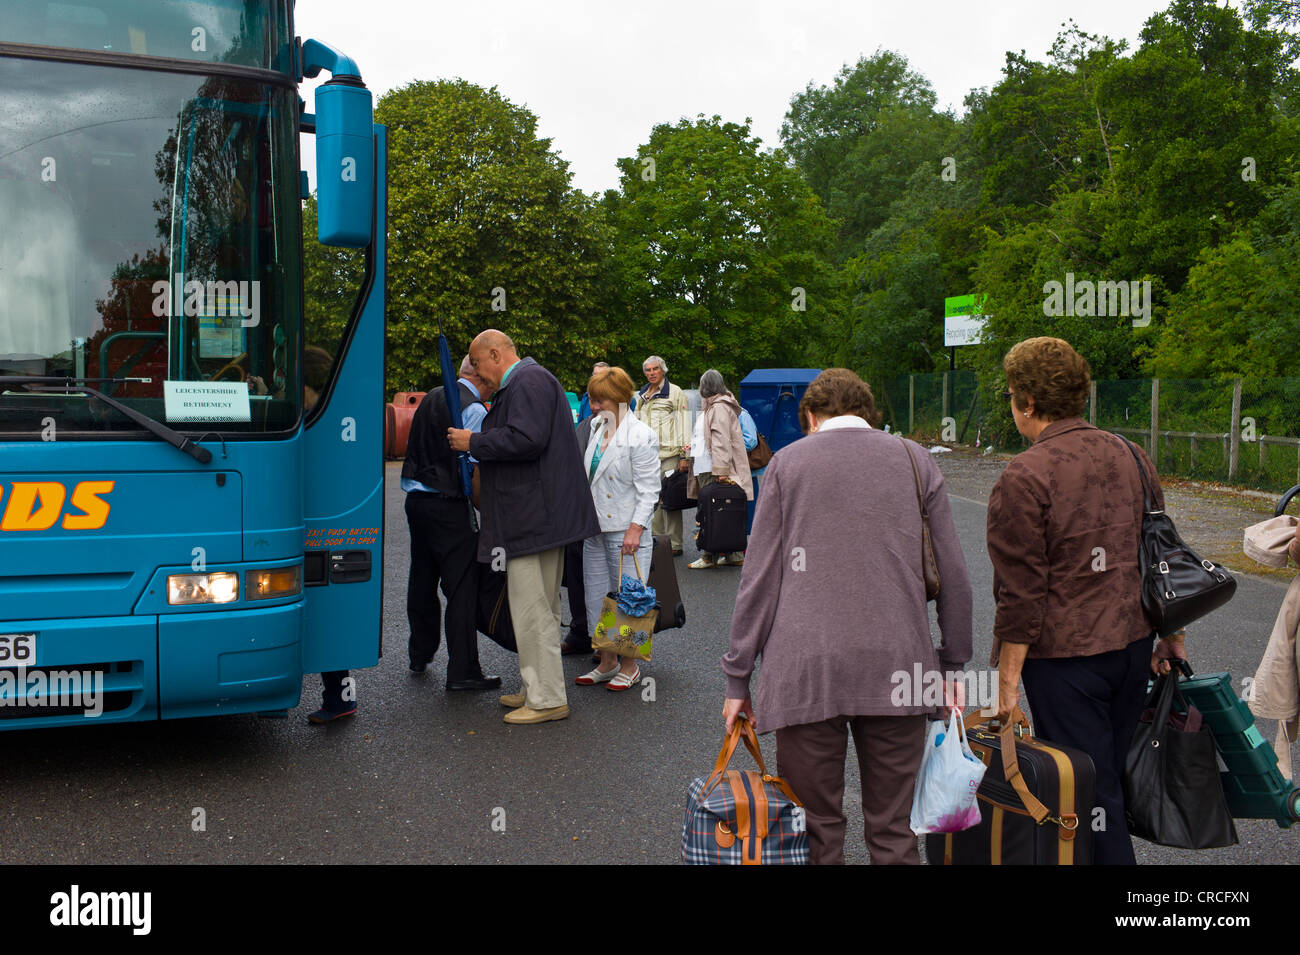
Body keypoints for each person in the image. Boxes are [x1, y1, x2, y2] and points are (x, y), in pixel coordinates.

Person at [721, 368, 973, 865]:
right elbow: (954, 575)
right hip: (900, 666)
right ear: (868, 413)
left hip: (805, 669)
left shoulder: (786, 465)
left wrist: (737, 679)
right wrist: (952, 665)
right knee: (895, 830)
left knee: (815, 831)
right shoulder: (915, 459)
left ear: (810, 417)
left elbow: (760, 578)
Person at [986, 336, 1188, 866]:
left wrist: (1006, 685)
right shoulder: (1131, 454)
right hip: (1132, 648)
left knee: (1087, 798)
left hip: (1066, 662)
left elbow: (1022, 593)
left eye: (1012, 397)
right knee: (1106, 784)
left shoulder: (1025, 475)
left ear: (1028, 403)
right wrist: (1171, 636)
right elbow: (1158, 554)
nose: (1012, 408)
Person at [449, 330, 600, 725]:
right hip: (538, 517)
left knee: (532, 608)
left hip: (532, 518)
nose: (478, 378)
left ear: (495, 354)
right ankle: (538, 687)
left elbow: (526, 440)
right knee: (541, 609)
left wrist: (474, 441)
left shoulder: (528, 381)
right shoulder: (533, 380)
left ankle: (547, 698)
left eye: (479, 367)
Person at [402, 354, 500, 691]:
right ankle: (463, 670)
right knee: (461, 588)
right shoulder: (473, 409)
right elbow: (473, 469)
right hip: (449, 504)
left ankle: (420, 651)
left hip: (416, 498)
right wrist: (487, 512)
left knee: (422, 578)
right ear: (482, 377)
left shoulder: (431, 396)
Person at [575, 366, 660, 690]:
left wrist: (636, 528)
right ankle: (608, 662)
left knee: (630, 600)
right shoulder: (598, 426)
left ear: (621, 399)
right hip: (595, 527)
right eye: (592, 399)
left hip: (626, 528)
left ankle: (630, 665)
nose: (593, 406)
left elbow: (650, 488)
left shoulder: (641, 435)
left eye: (600, 400)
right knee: (597, 598)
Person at [686, 369, 752, 569]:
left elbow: (721, 440)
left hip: (712, 468)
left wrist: (722, 470)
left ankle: (709, 555)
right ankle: (732, 554)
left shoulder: (718, 408)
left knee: (711, 511)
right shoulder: (716, 406)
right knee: (723, 510)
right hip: (709, 465)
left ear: (705, 386)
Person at [635, 355, 689, 556]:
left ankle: (675, 544)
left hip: (670, 455)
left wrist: (685, 455)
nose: (651, 373)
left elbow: (684, 423)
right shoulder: (642, 395)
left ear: (663, 370)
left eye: (655, 369)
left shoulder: (675, 393)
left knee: (671, 501)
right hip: (647, 456)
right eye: (648, 370)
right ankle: (657, 540)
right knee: (652, 500)